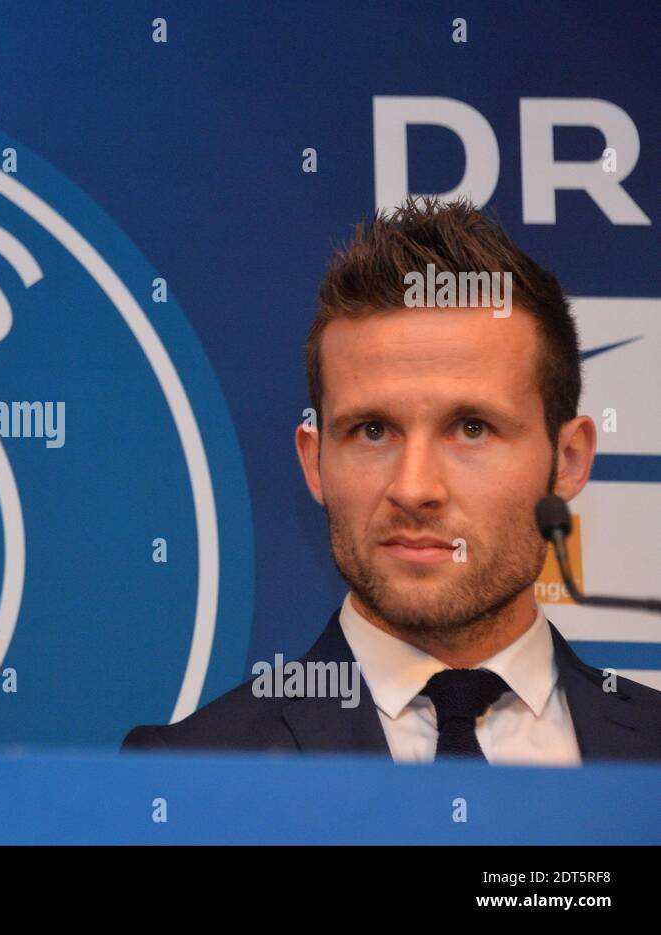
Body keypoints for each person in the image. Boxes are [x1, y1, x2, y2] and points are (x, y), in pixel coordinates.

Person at [122, 197, 661, 764]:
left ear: (569, 459)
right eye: (373, 430)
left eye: (472, 428)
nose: (414, 487)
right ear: (314, 461)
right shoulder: (191, 779)